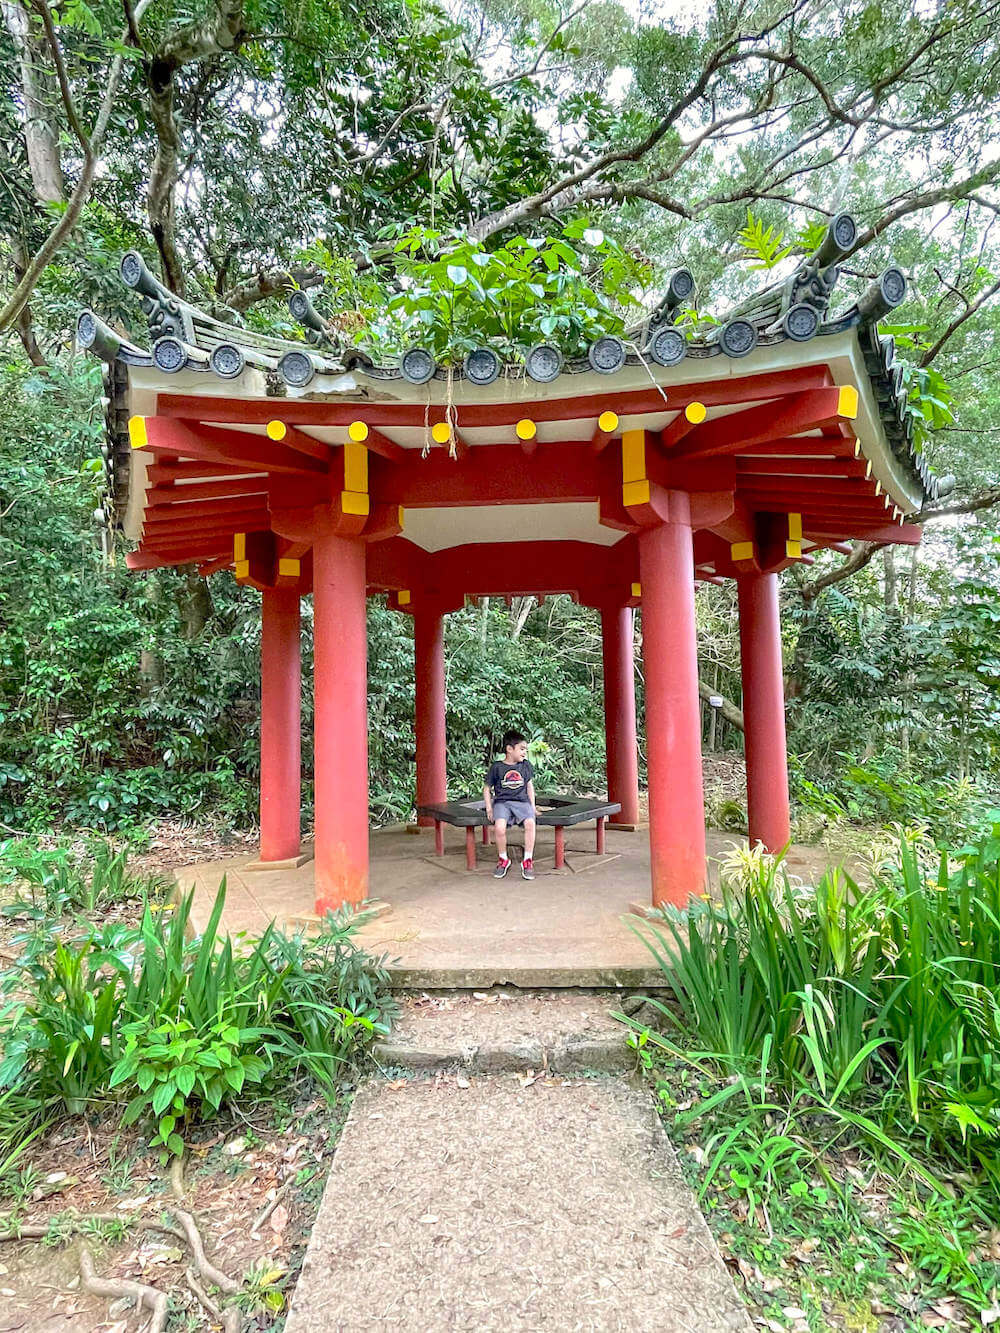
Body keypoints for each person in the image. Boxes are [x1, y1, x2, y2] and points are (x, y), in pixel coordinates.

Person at [483, 730, 536, 880]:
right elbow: (487, 788)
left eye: (526, 749)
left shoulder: (525, 766)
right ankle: (503, 859)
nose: (525, 752)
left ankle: (527, 860)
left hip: (522, 802)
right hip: (502, 803)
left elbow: (529, 786)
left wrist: (532, 806)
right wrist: (489, 807)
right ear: (509, 749)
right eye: (522, 749)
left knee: (530, 823)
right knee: (499, 827)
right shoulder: (497, 767)